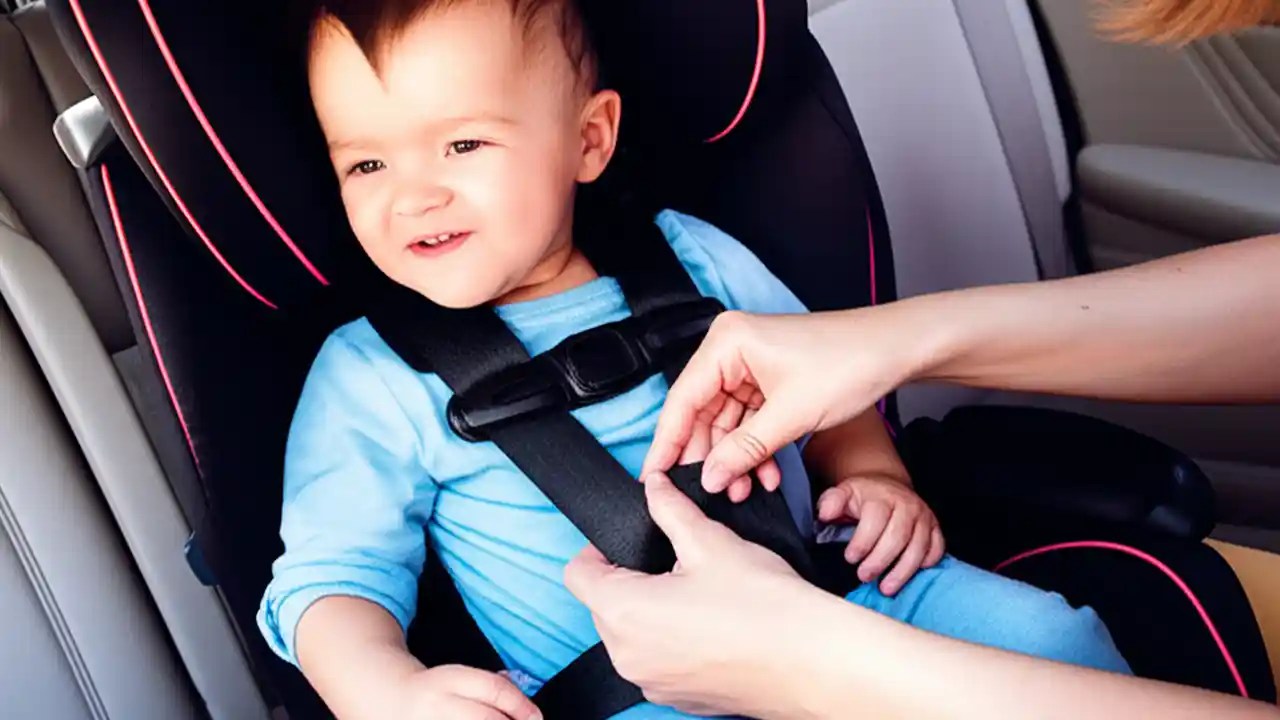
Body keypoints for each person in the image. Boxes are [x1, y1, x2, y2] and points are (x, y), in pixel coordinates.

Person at [254, 0, 1131, 718]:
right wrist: (384, 692)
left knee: (1055, 646)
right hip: (634, 691)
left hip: (832, 600)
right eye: (366, 164)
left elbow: (829, 396)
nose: (413, 195)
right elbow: (332, 584)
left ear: (589, 140)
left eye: (463, 145)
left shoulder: (692, 261)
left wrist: (873, 477)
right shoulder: (370, 376)